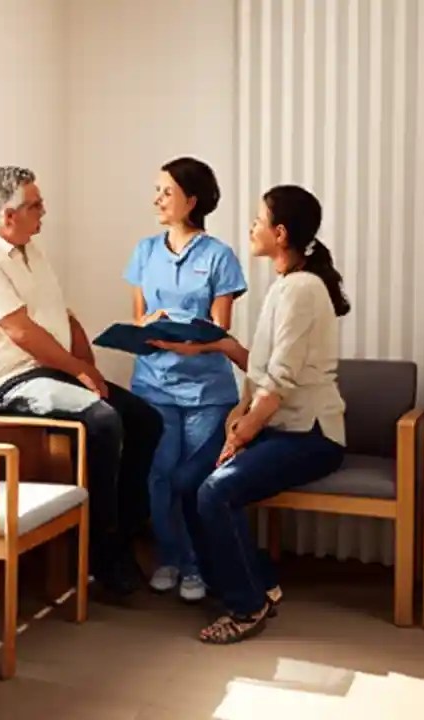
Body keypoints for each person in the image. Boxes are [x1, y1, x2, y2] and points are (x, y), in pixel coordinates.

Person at [150, 184, 351, 644]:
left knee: (216, 491)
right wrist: (237, 417)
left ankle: (247, 605)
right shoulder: (285, 284)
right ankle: (257, 583)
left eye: (259, 220)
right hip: (275, 427)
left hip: (311, 436)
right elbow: (260, 374)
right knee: (186, 483)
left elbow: (278, 383)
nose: (251, 227)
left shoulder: (302, 289)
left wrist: (241, 435)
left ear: (280, 233)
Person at [0, 165, 164, 595]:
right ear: (8, 216)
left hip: (49, 370)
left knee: (144, 419)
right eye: (35, 206)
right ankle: (100, 557)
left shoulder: (32, 252)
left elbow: (62, 316)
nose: (43, 212)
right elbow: (21, 332)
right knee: (103, 421)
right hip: (6, 381)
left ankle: (121, 532)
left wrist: (88, 365)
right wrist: (76, 369)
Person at [123, 157, 247, 603]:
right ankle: (169, 558)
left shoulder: (219, 256)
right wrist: (148, 324)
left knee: (188, 480)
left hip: (204, 391)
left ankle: (197, 566)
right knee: (157, 476)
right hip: (153, 384)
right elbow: (139, 317)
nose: (157, 198)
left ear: (191, 200)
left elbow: (218, 329)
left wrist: (186, 334)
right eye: (156, 190)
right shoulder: (144, 251)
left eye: (166, 191)